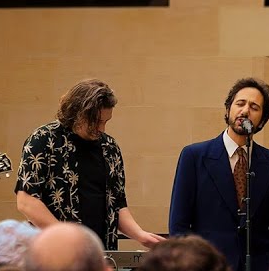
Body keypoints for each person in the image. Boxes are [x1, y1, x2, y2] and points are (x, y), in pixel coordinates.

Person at [169, 78, 269, 271]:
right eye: (240, 103)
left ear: (262, 120)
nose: (245, 110)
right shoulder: (194, 156)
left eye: (254, 107)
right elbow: (178, 226)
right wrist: (191, 270)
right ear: (228, 108)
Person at [16, 79, 163, 250]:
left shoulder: (110, 147)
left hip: (101, 250)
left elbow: (117, 204)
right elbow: (26, 201)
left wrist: (141, 235)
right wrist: (67, 237)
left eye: (106, 122)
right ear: (77, 113)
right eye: (96, 122)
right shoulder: (43, 139)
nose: (102, 129)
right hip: (55, 251)